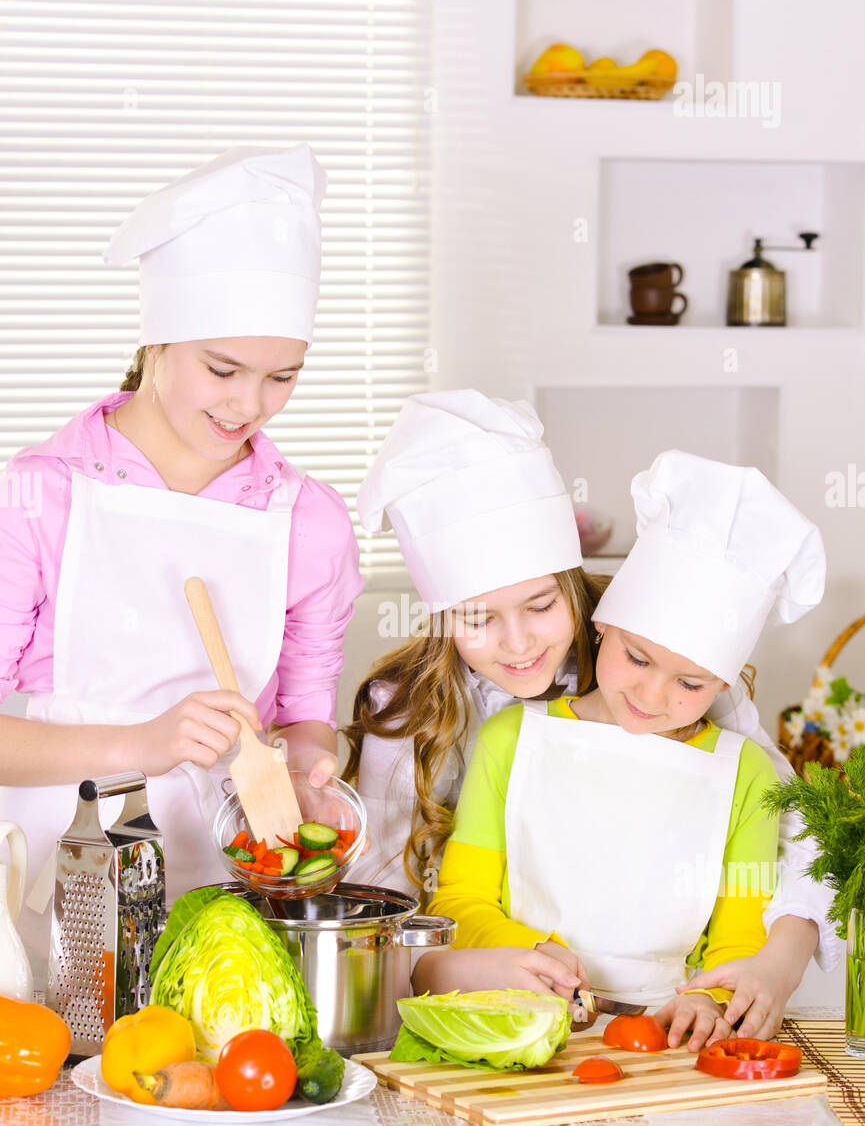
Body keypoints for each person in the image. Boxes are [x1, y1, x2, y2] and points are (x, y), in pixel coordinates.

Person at [346, 392, 841, 1033]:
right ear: (442, 615)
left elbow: (791, 842)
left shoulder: (671, 667)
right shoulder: (414, 713)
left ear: (585, 601)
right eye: (478, 618)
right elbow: (383, 907)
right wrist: (468, 965)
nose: (519, 644)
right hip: (489, 1000)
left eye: (541, 605)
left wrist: (773, 967)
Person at [0, 144, 363, 981]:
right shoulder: (42, 494)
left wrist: (309, 765)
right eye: (223, 369)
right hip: (57, 881)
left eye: (283, 378)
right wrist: (145, 741)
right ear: (158, 340)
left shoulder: (306, 519)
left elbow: (307, 715)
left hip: (227, 891)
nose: (248, 405)